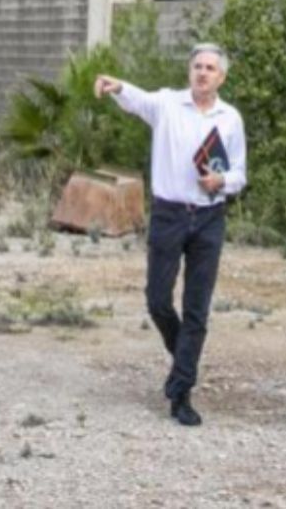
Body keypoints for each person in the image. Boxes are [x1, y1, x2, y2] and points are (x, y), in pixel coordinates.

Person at [95, 43, 247, 427]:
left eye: (211, 68)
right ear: (189, 71)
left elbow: (240, 173)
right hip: (169, 214)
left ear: (222, 77)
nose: (203, 73)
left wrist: (222, 180)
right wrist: (116, 86)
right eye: (197, 66)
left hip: (209, 217)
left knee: (197, 307)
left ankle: (181, 390)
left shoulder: (230, 119)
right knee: (158, 300)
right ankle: (184, 358)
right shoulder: (166, 105)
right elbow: (136, 99)